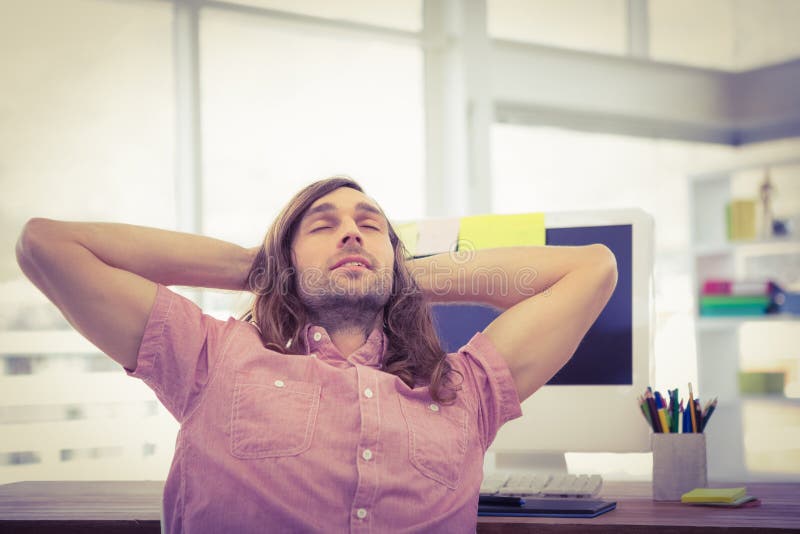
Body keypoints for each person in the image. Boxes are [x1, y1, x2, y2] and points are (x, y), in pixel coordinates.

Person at [15, 176, 617, 533]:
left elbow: (592, 268)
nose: (352, 233)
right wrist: (263, 268)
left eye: (370, 226)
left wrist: (393, 275)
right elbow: (48, 243)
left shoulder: (463, 388)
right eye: (322, 226)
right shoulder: (210, 355)